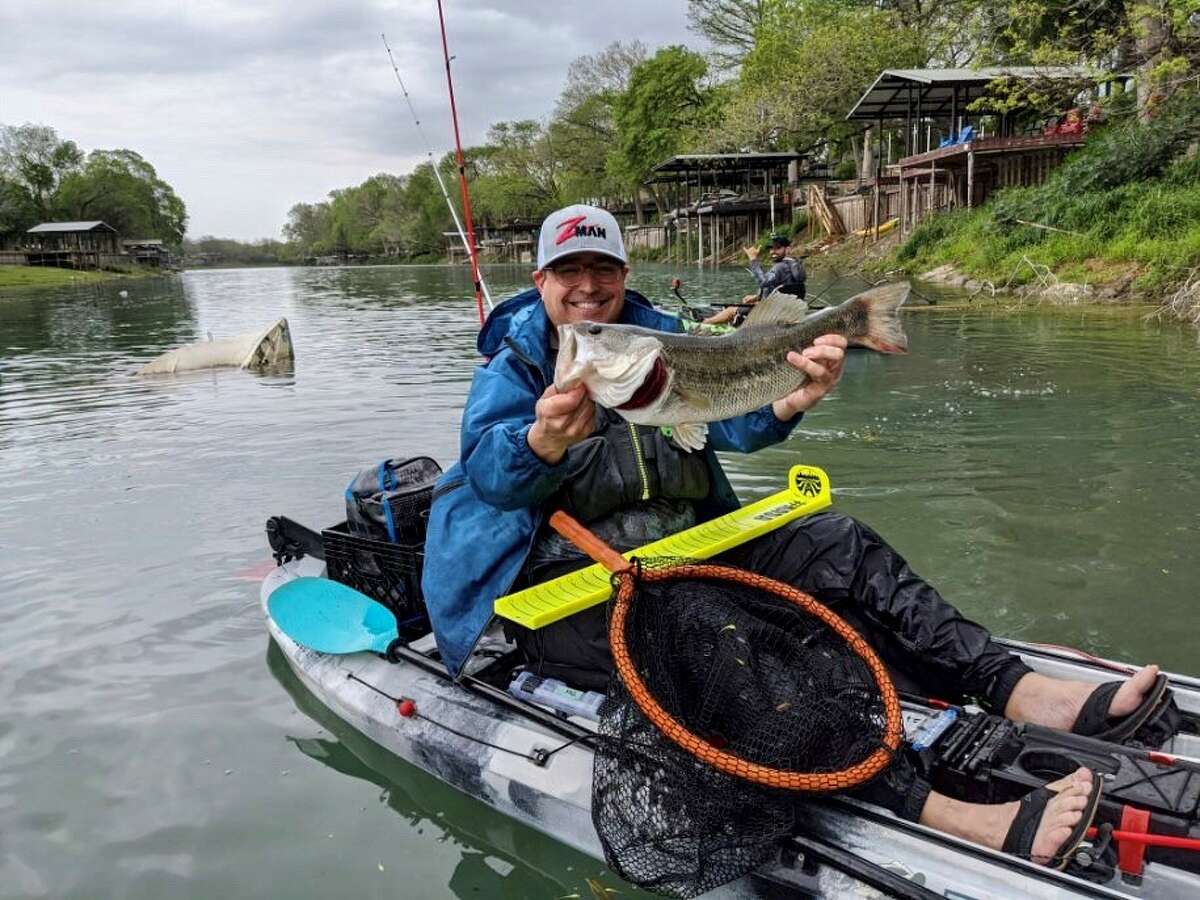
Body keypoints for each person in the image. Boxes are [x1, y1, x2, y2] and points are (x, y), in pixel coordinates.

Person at [422, 203, 1168, 868]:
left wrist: (793, 398)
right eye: (568, 271)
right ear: (540, 276)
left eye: (602, 268)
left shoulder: (659, 339)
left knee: (835, 540)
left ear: (624, 271)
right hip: (550, 596)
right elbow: (492, 475)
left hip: (681, 554)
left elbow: (735, 425)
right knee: (713, 636)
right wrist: (544, 441)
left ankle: (1025, 692)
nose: (586, 286)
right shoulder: (516, 362)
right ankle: (947, 813)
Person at [703, 233, 807, 326]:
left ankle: (705, 323)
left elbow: (764, 282)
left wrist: (753, 260)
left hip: (772, 312)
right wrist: (757, 297)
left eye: (777, 248)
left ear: (787, 249)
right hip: (786, 310)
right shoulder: (796, 266)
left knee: (730, 310)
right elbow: (780, 289)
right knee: (748, 304)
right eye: (771, 248)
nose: (772, 252)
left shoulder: (780, 267)